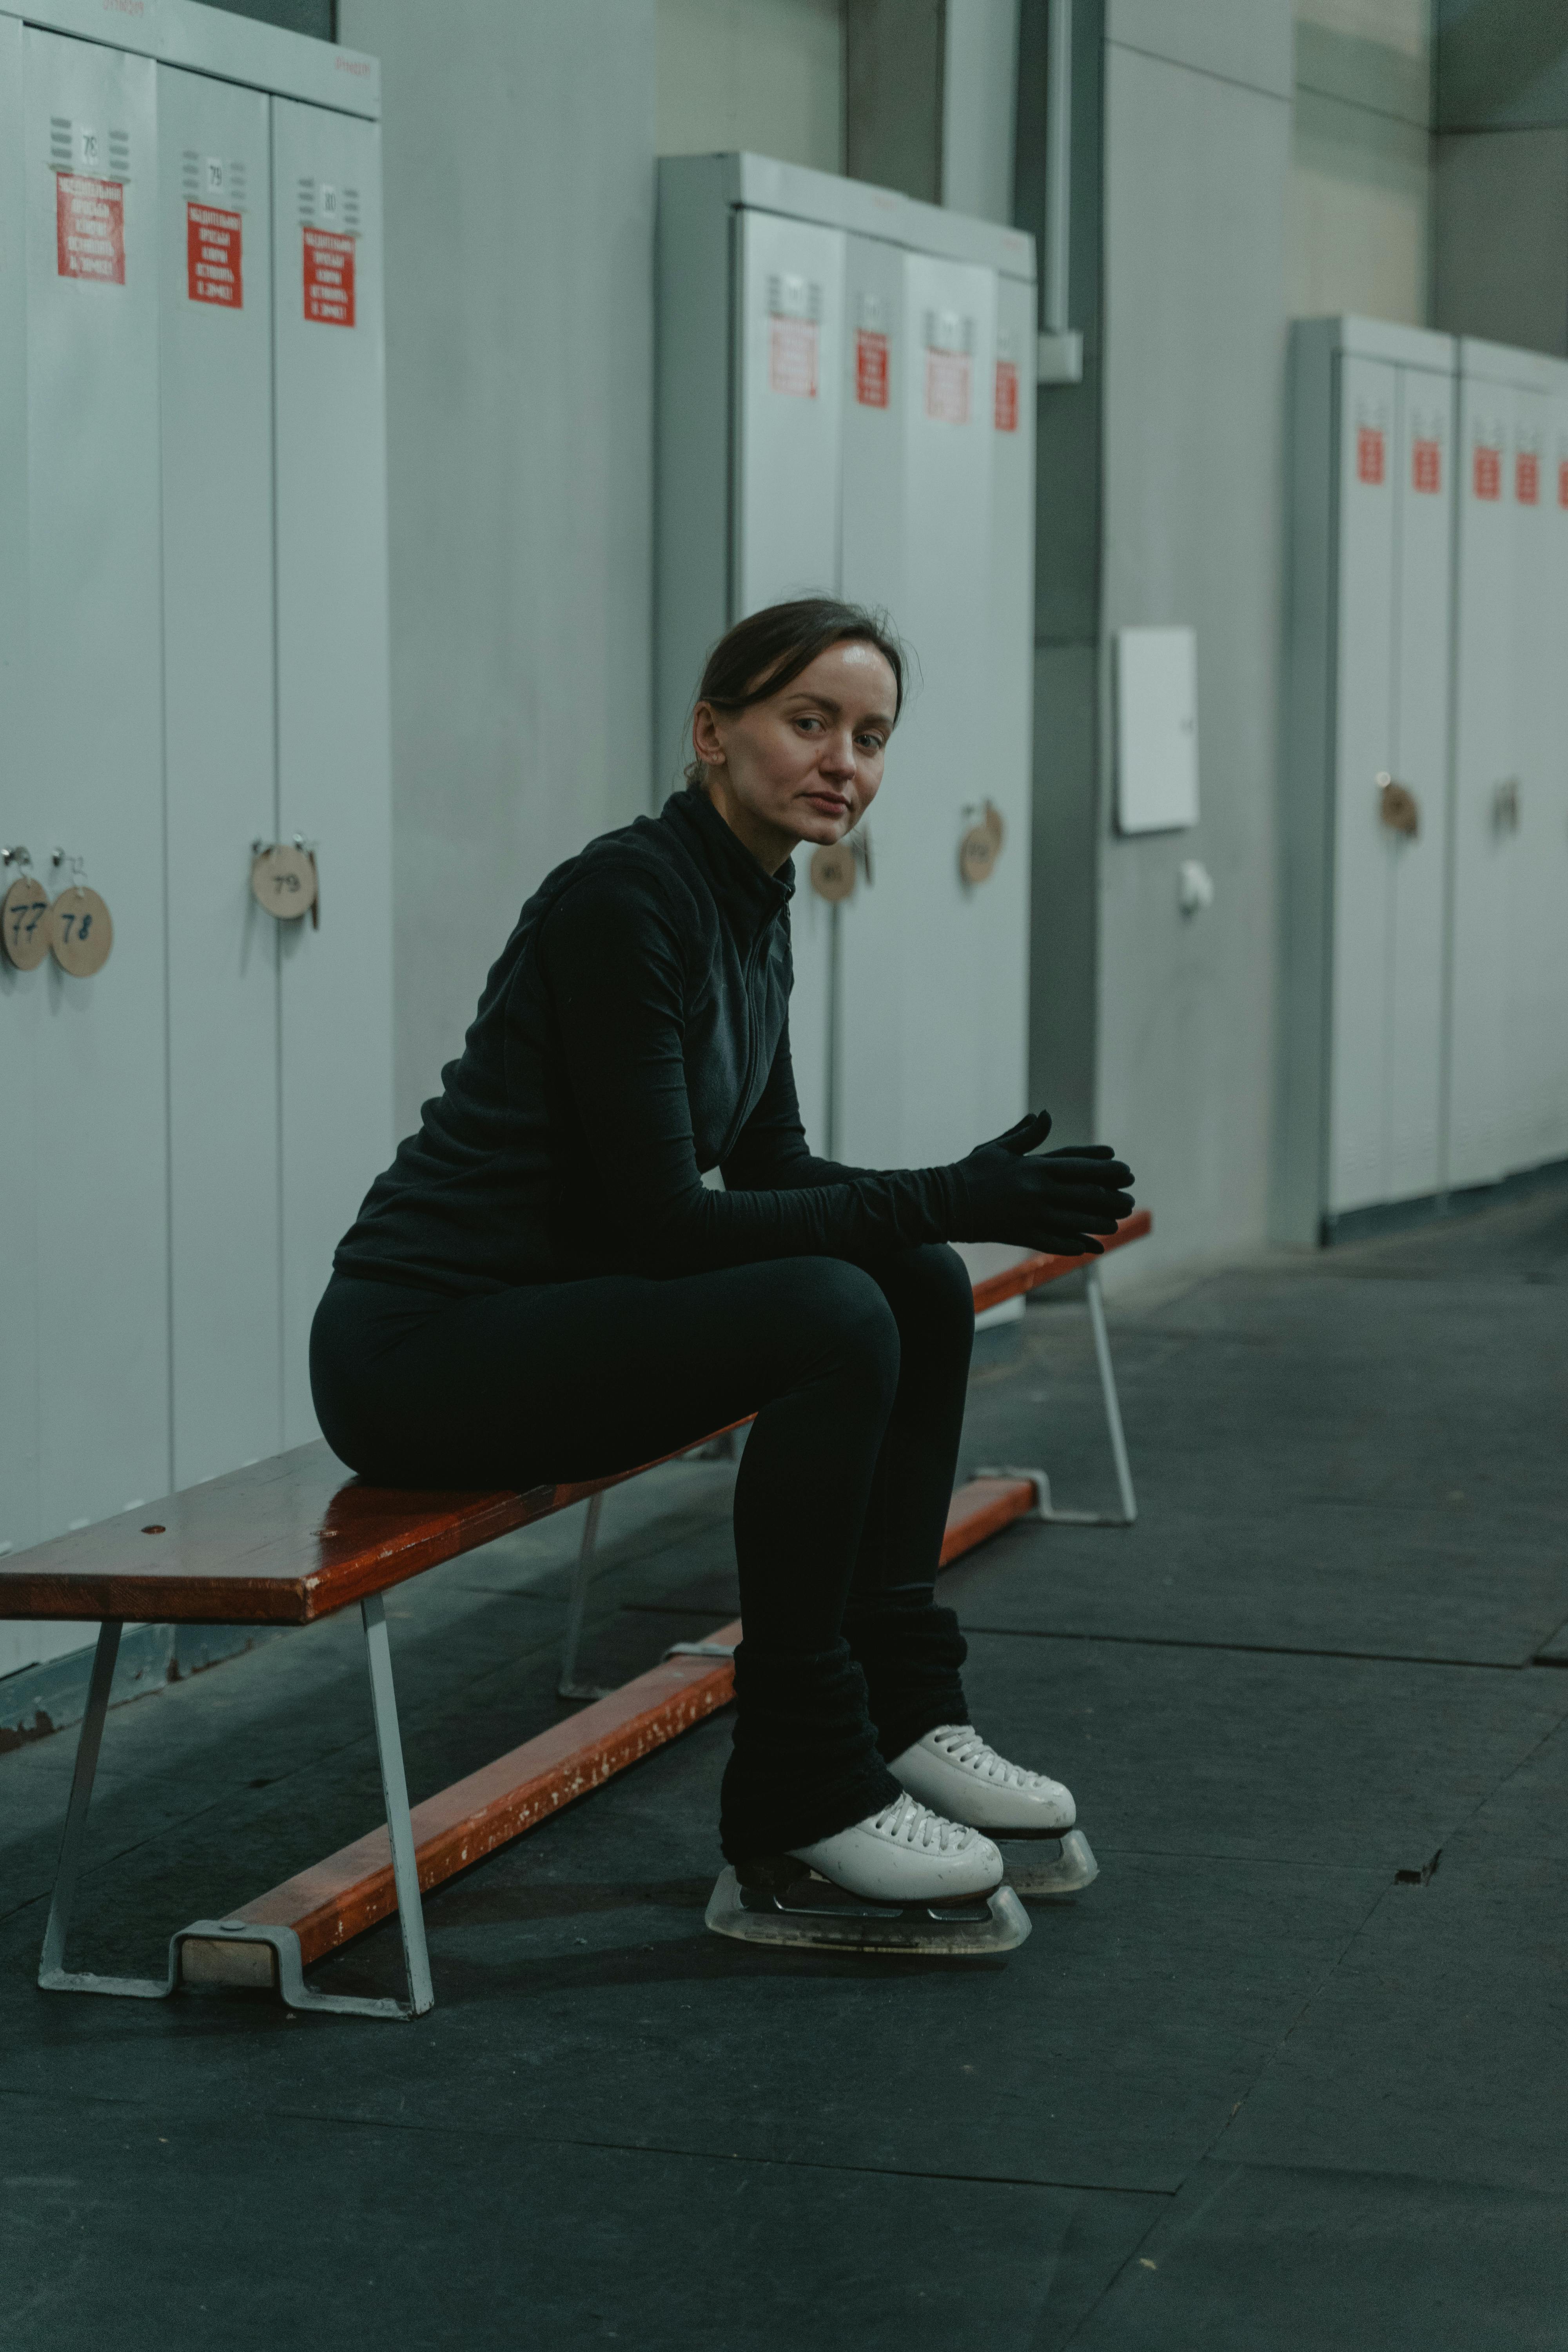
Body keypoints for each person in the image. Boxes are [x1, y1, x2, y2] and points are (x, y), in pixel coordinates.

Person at [310, 598, 1134, 1918]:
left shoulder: (755, 899)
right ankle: (804, 1787)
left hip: (557, 1316)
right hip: (423, 1346)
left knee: (913, 1279)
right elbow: (668, 1225)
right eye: (809, 723)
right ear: (712, 732)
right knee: (833, 1312)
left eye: (871, 737)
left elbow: (775, 1169)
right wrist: (947, 1194)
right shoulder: (624, 898)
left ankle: (907, 1708)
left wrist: (964, 1198)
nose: (843, 763)